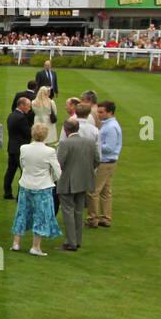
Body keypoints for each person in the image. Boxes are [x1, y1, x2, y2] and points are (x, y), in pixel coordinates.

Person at [11, 123, 62, 256]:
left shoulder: (24, 148)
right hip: (42, 187)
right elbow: (58, 172)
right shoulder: (49, 152)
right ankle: (35, 247)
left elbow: (22, 164)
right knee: (40, 215)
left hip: (26, 184)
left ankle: (16, 242)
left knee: (22, 212)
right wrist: (51, 178)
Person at [55, 118, 98, 252]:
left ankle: (70, 242)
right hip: (84, 181)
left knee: (68, 212)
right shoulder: (90, 142)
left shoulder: (65, 143)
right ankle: (77, 240)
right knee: (79, 211)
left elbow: (59, 164)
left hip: (68, 182)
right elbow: (97, 160)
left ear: (65, 130)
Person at [86, 101, 121, 229]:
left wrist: (94, 145)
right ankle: (105, 218)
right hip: (108, 162)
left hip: (105, 163)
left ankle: (92, 220)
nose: (98, 115)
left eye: (101, 112)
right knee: (105, 192)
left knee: (92, 191)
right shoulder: (108, 124)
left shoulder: (111, 127)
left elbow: (110, 147)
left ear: (110, 112)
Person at [4, 97, 34, 200]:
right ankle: (19, 195)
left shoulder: (11, 115)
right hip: (20, 148)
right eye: (28, 106)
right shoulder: (21, 118)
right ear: (21, 105)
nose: (29, 108)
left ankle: (7, 193)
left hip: (12, 147)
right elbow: (28, 133)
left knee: (10, 171)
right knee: (23, 171)